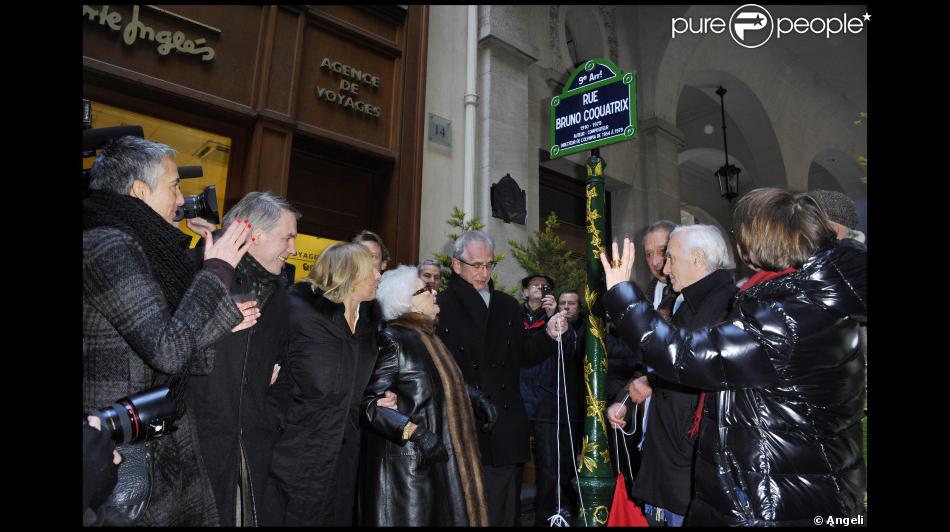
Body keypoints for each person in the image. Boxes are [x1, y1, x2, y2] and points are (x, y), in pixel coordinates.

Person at [601, 188, 867, 525]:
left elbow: (686, 356)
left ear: (759, 241)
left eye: (738, 233)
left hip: (777, 500)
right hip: (781, 486)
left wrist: (622, 295)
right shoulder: (801, 297)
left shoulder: (790, 312)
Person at [83, 136, 259, 526]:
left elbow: (177, 344)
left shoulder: (144, 246)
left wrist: (223, 318)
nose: (182, 200)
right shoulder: (107, 244)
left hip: (163, 439)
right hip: (127, 453)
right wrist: (217, 270)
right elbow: (168, 350)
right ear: (139, 190)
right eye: (175, 185)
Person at [435, 230, 569, 526]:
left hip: (505, 425)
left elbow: (524, 354)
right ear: (456, 265)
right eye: (476, 265)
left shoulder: (506, 306)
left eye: (489, 265)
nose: (484, 273)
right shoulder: (439, 306)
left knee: (504, 511)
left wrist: (548, 335)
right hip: (462, 423)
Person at [607, 225, 737, 526]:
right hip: (670, 456)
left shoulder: (725, 305)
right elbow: (655, 364)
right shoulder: (691, 302)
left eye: (671, 258)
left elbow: (679, 359)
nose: (664, 267)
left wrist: (622, 294)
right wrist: (629, 395)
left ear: (698, 259)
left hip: (689, 460)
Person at [186, 191, 301, 526]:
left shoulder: (281, 295)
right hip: (199, 439)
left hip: (254, 441)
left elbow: (287, 366)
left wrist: (272, 411)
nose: (292, 249)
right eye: (288, 238)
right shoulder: (202, 272)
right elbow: (169, 347)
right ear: (254, 233)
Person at [359, 265, 497, 526]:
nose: (434, 292)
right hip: (410, 471)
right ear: (407, 301)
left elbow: (442, 383)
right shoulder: (394, 339)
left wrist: (478, 399)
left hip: (436, 464)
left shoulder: (427, 337)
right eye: (424, 289)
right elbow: (371, 406)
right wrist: (416, 433)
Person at [266, 242, 384, 526]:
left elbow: (357, 383)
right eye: (372, 270)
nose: (379, 276)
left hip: (345, 456)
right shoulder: (298, 313)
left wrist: (376, 396)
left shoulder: (370, 325)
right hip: (296, 454)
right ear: (349, 275)